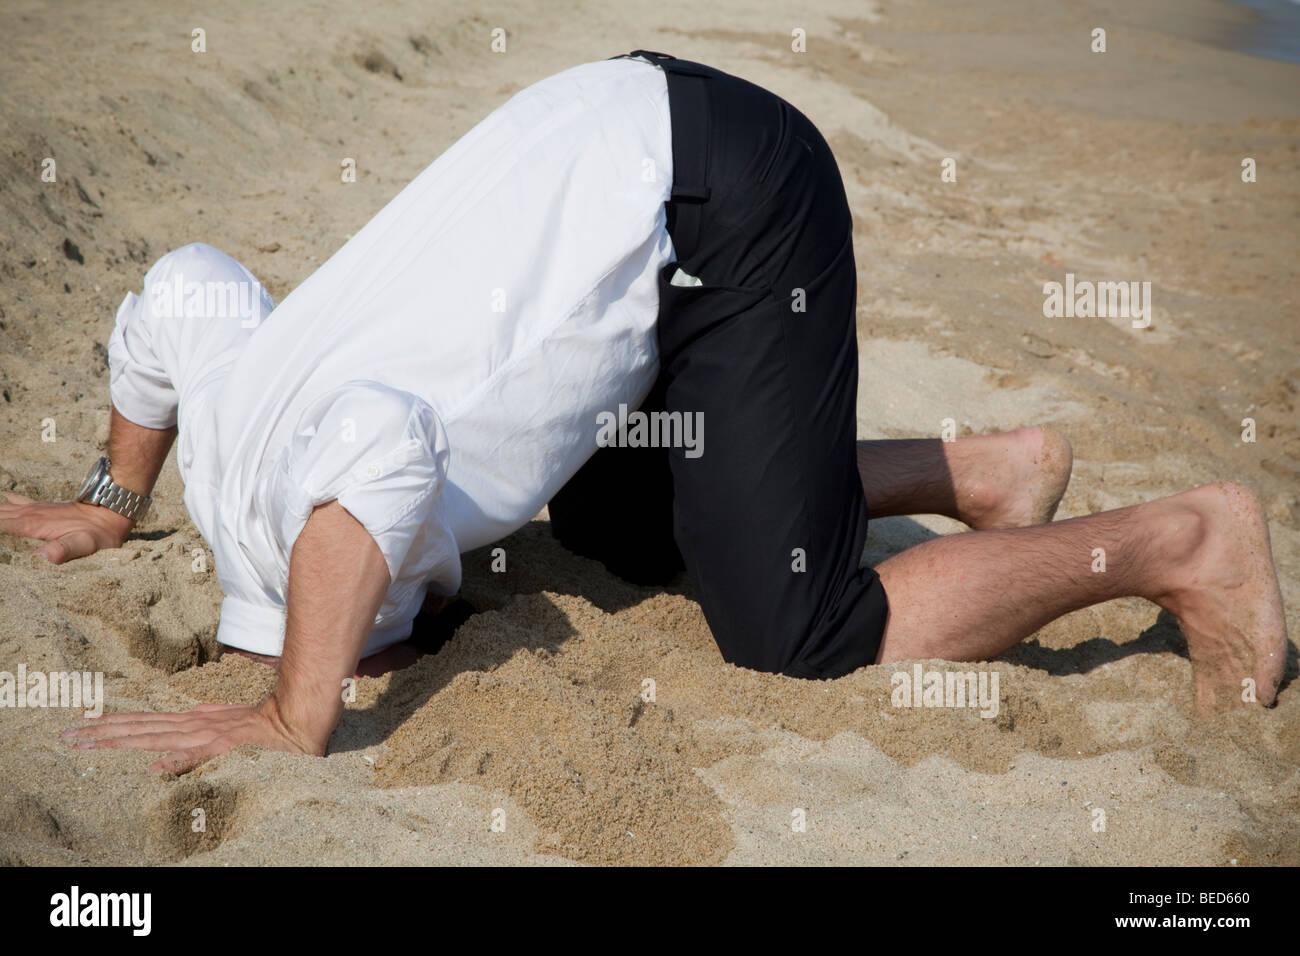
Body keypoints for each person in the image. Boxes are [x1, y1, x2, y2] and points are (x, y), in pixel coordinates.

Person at [0, 51, 1285, 774]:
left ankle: (1180, 541)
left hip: (730, 199)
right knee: (614, 518)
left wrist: (294, 712)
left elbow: (376, 463)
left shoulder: (318, 514)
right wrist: (118, 505)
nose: (409, 646)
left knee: (795, 628)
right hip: (614, 135)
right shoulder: (234, 445)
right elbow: (188, 292)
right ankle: (979, 469)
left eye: (385, 644)